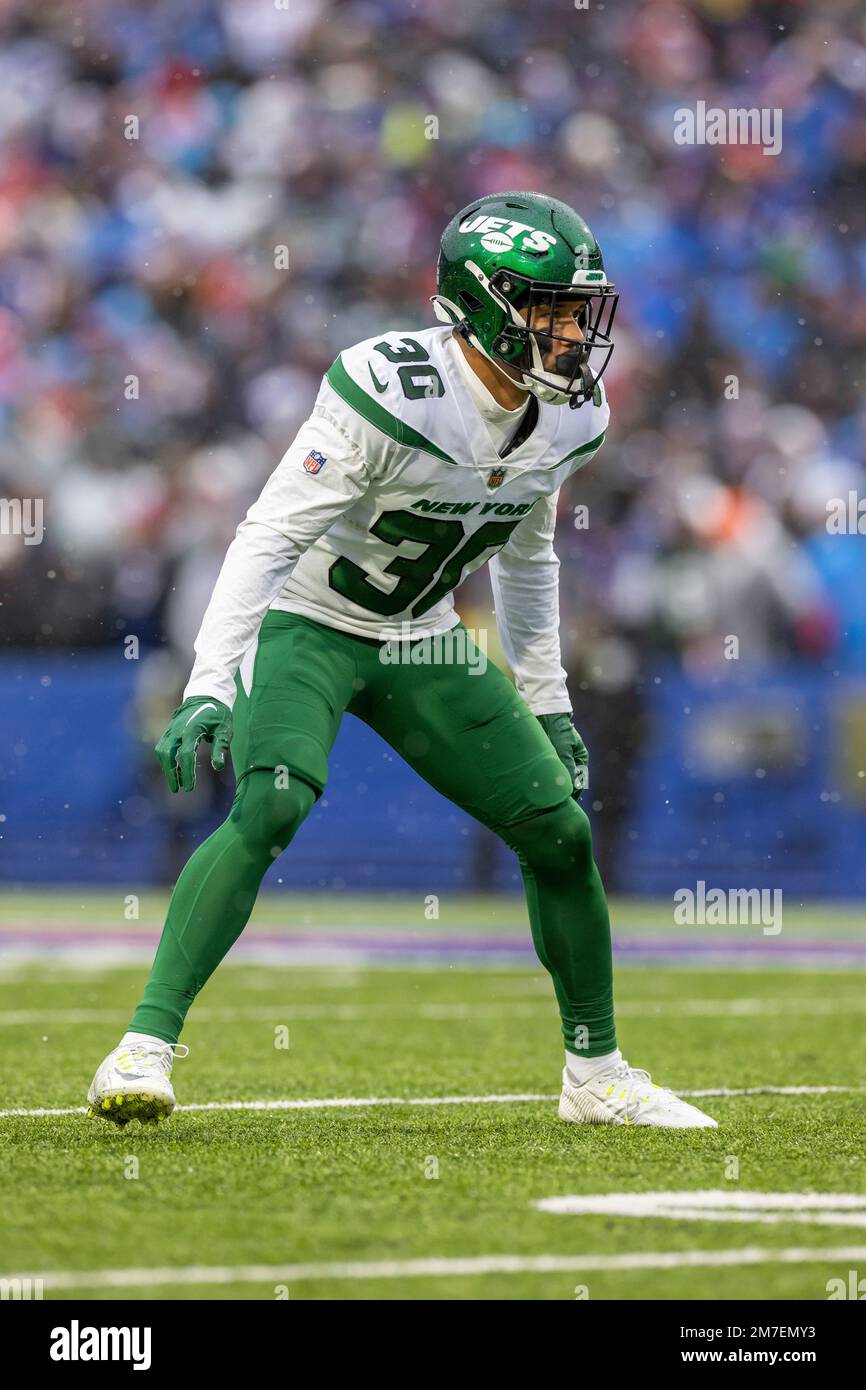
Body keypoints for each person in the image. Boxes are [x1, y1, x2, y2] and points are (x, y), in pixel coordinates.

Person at [86, 191, 717, 1129]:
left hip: (421, 631)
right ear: (484, 304)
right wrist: (208, 682)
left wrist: (549, 704)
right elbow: (265, 535)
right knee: (270, 806)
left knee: (562, 835)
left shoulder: (572, 419)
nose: (571, 330)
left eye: (577, 308)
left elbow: (528, 557)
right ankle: (140, 1049)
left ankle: (597, 1076)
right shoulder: (386, 384)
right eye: (546, 308)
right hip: (310, 619)